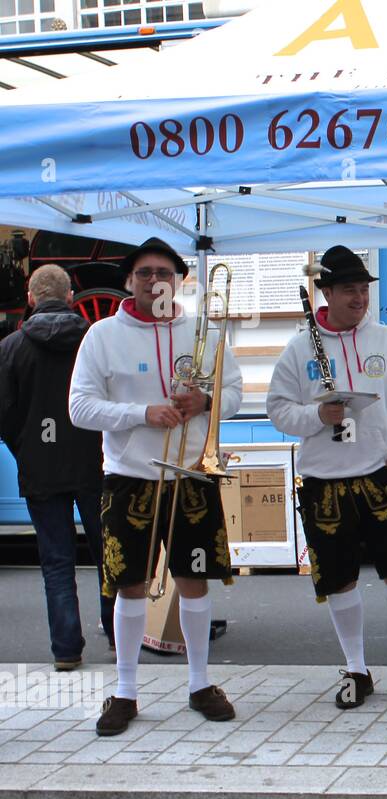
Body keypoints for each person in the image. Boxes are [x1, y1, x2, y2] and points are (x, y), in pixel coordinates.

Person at [69, 237, 243, 736]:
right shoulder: (102, 334)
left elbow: (233, 391)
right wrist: (141, 413)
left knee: (195, 581)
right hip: (130, 478)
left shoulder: (200, 331)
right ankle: (125, 691)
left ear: (179, 280)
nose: (154, 281)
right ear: (130, 280)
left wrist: (204, 404)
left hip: (190, 478)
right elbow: (79, 409)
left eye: (163, 272)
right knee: (131, 586)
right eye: (144, 273)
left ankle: (200, 683)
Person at [267, 245, 387, 712]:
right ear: (326, 292)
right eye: (349, 290)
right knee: (339, 579)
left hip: (381, 476)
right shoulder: (300, 348)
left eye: (364, 289)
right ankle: (356, 668)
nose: (360, 298)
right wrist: (317, 415)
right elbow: (277, 410)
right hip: (324, 480)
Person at [0, 264, 112, 669]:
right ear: (70, 298)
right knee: (108, 552)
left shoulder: (10, 348)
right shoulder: (94, 340)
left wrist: (27, 449)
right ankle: (119, 632)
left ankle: (66, 650)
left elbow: (5, 415)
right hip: (94, 462)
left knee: (57, 561)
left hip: (40, 468)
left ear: (30, 299)